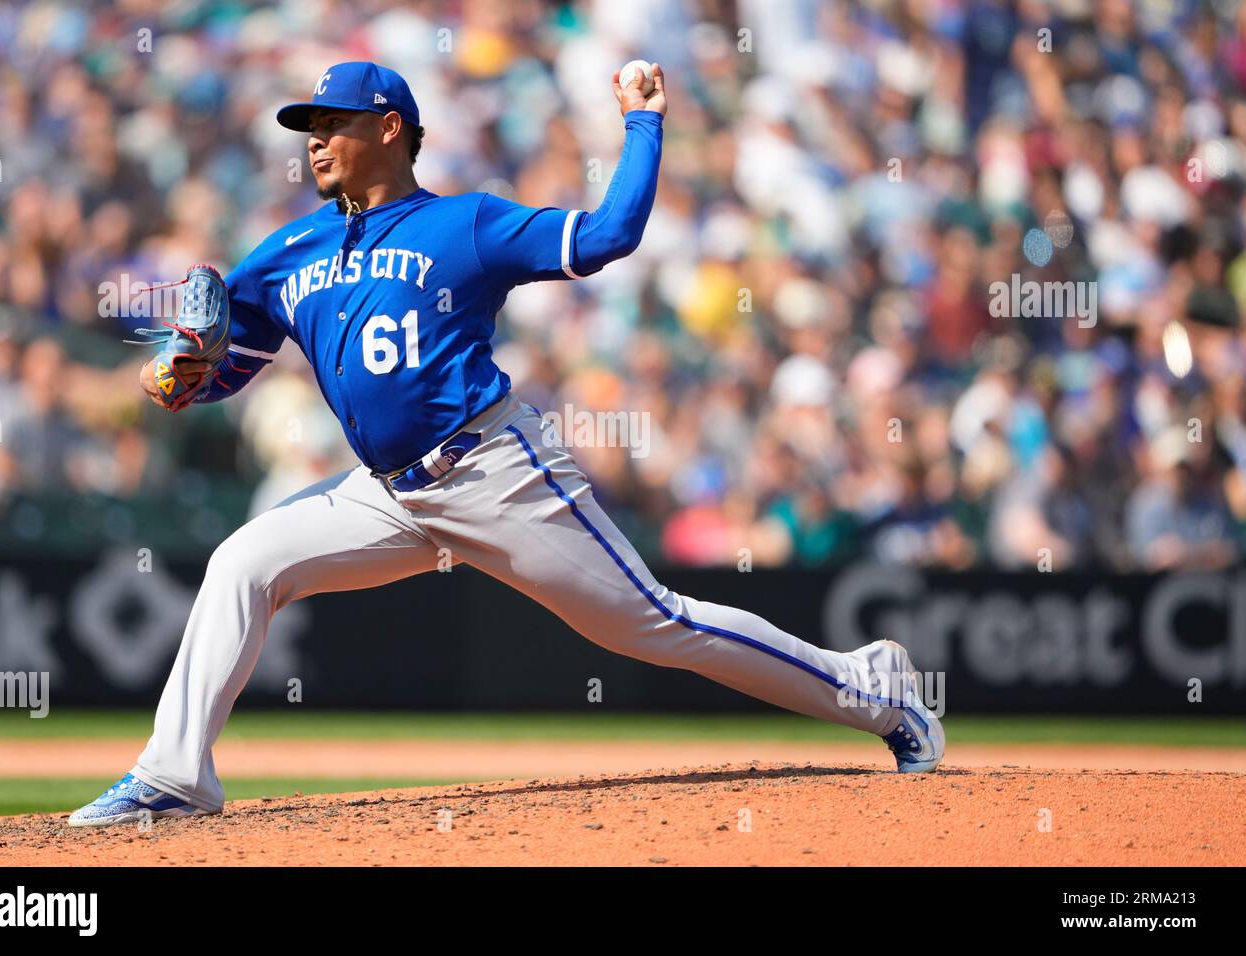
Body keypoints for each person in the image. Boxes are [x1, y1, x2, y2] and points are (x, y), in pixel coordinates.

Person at [69, 61, 943, 827]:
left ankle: (873, 688)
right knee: (243, 562)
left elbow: (610, 235)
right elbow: (219, 373)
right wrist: (184, 374)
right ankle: (176, 773)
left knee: (653, 623)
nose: (315, 140)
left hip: (493, 469)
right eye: (307, 126)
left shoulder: (468, 224)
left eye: (332, 123)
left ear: (390, 128)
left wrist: (642, 122)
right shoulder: (286, 251)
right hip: (384, 493)